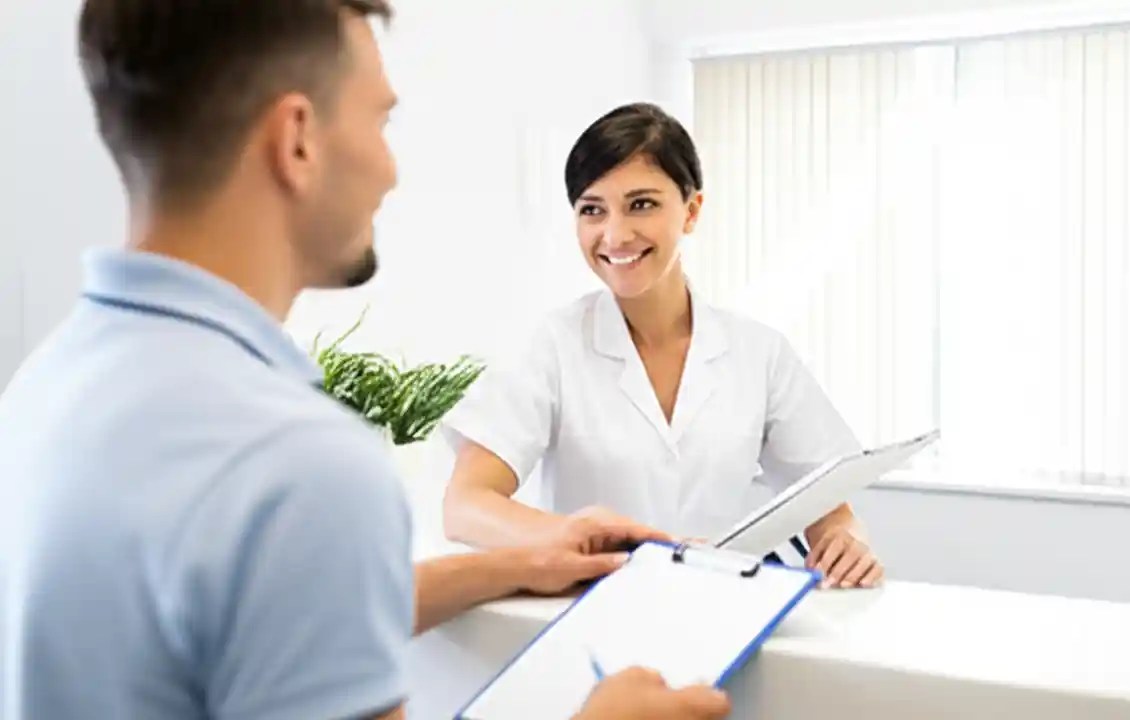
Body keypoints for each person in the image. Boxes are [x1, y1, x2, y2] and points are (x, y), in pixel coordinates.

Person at [0, 4, 728, 719]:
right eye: (380, 123)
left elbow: (259, 607)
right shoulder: (297, 461)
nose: (389, 171)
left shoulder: (44, 389)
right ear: (297, 141)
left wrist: (523, 562)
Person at [442, 102, 884, 591]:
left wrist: (845, 541)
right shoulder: (553, 346)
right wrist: (571, 538)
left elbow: (829, 505)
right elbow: (466, 507)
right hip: (590, 610)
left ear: (691, 210)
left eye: (641, 204)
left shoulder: (759, 353)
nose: (615, 234)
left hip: (720, 612)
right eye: (593, 209)